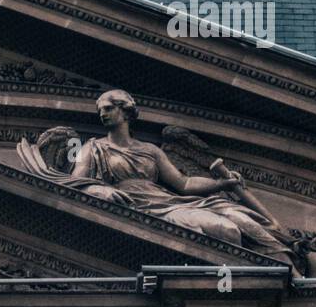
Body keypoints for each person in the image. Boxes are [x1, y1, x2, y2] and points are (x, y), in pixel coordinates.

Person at [59, 90, 295, 265]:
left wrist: (222, 184)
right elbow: (75, 184)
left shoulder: (150, 150)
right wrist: (98, 190)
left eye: (108, 108)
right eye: (100, 110)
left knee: (240, 220)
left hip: (168, 205)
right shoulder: (92, 148)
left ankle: (290, 272)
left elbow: (184, 183)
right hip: (138, 209)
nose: (102, 114)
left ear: (125, 111)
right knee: (225, 231)